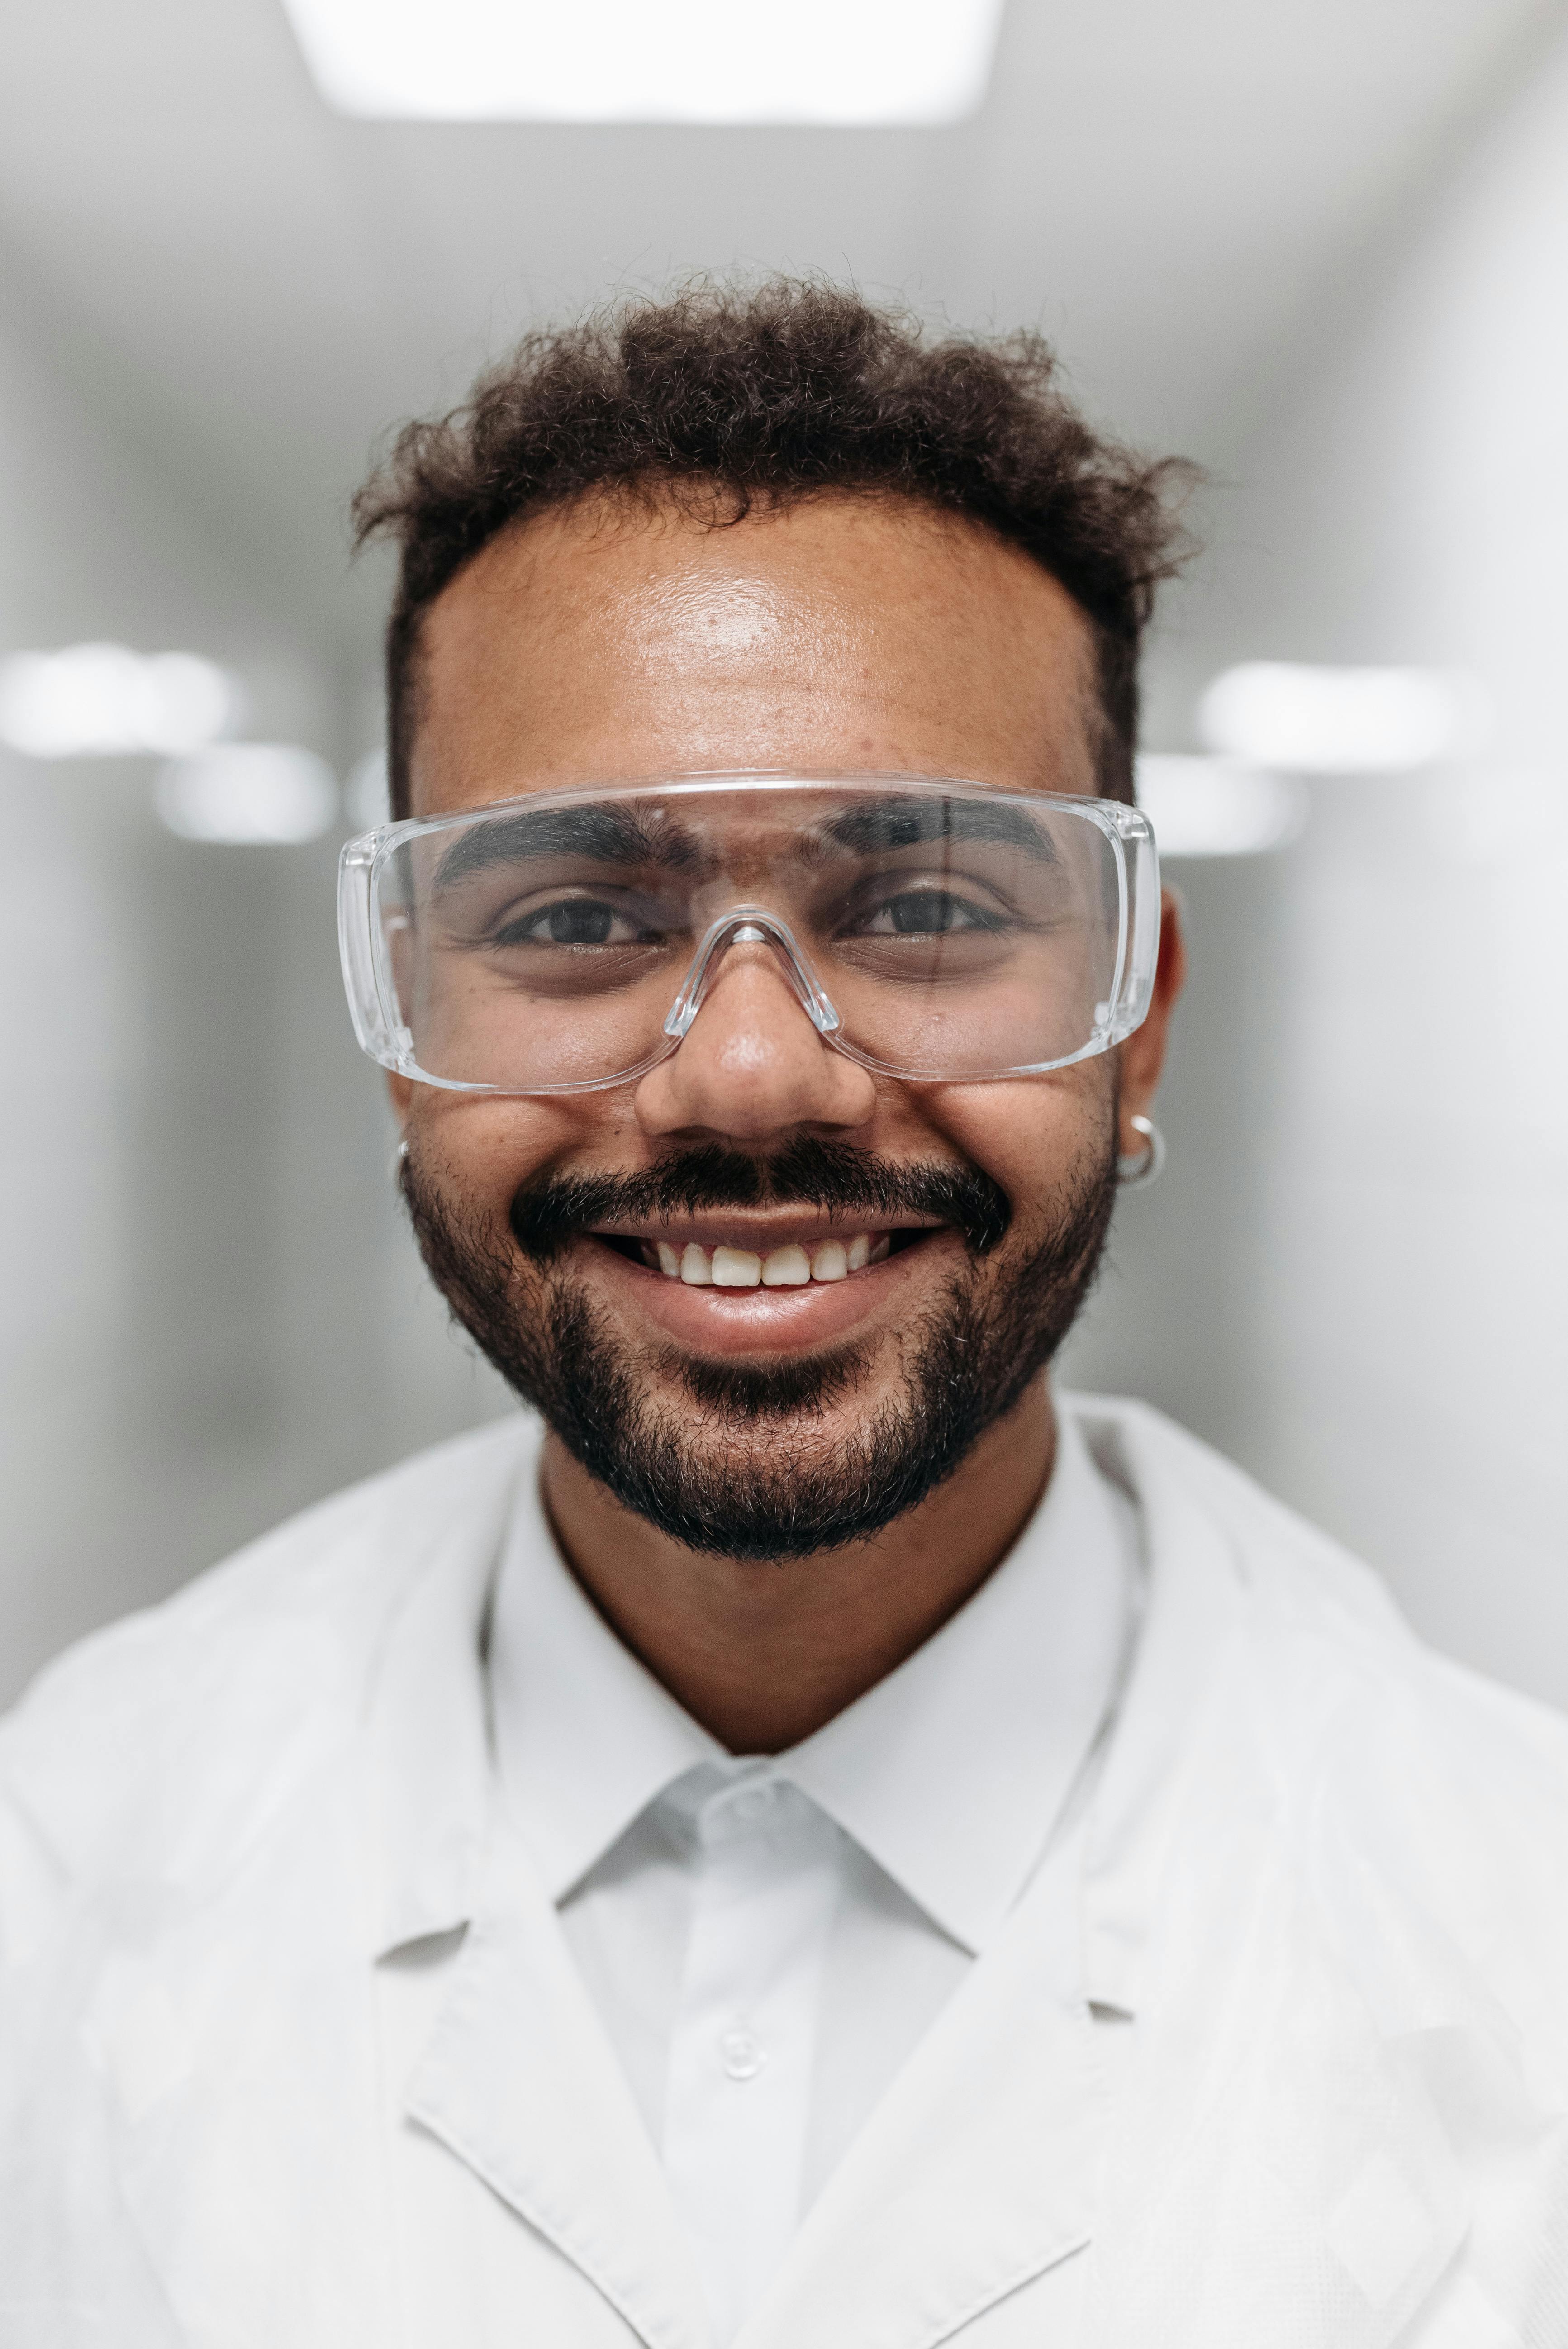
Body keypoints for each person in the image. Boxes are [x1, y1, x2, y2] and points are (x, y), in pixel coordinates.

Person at [1, 283, 1564, 2349]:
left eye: (924, 904)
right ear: (402, 1030)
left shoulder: (1513, 1911)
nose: (750, 1075)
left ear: (1142, 1014)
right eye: (572, 918)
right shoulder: (72, 1846)